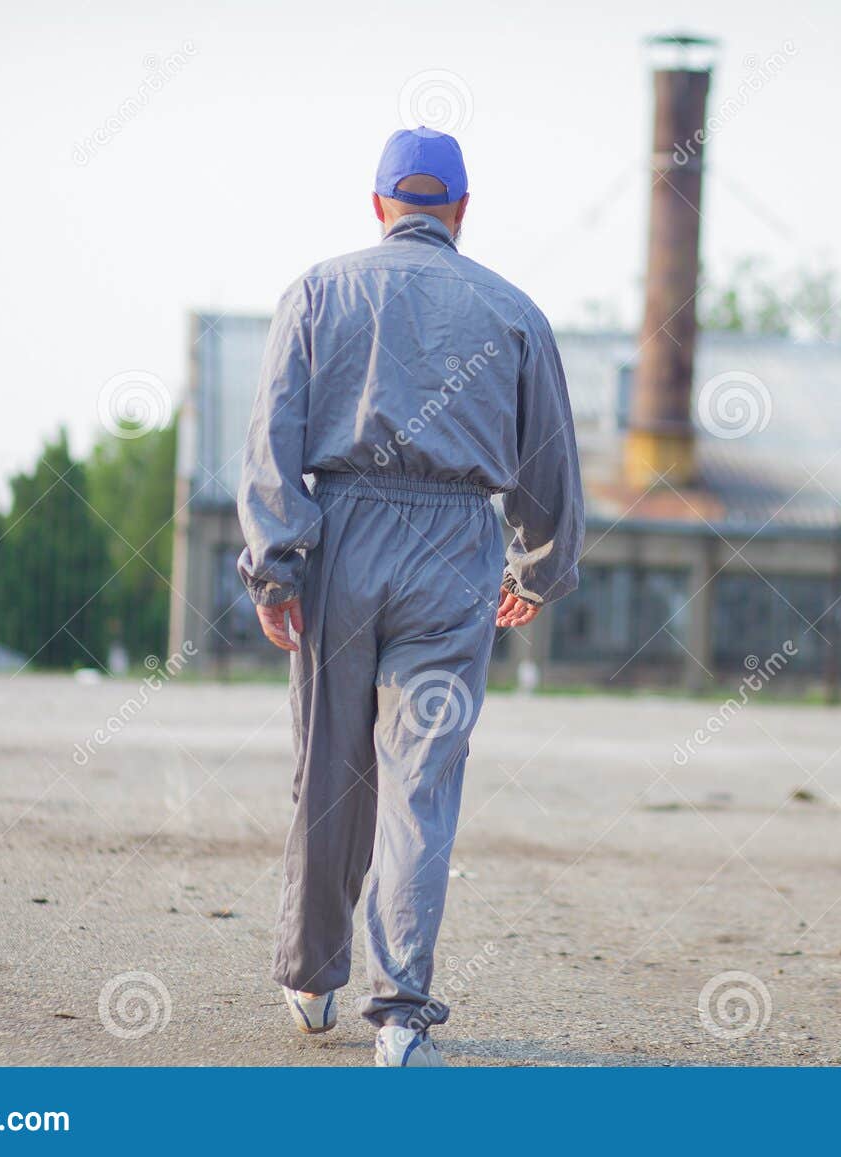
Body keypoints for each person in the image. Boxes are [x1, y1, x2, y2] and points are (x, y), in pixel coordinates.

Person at [236, 125, 584, 1067]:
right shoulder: (514, 312)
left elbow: (272, 436)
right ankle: (399, 1014)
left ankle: (312, 981)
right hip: (456, 551)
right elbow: (550, 456)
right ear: (462, 211)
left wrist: (275, 565)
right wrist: (537, 569)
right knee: (420, 782)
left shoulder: (318, 290)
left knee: (330, 768)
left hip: (342, 540)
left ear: (379, 204)